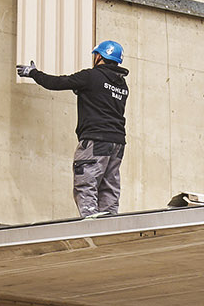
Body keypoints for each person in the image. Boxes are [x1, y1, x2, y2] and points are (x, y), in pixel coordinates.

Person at [18, 40, 130, 216]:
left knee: (86, 182)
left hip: (95, 140)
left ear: (99, 56)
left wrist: (33, 73)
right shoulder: (122, 85)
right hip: (117, 143)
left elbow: (57, 82)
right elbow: (101, 98)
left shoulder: (91, 76)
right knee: (109, 187)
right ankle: (109, 223)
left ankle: (90, 221)